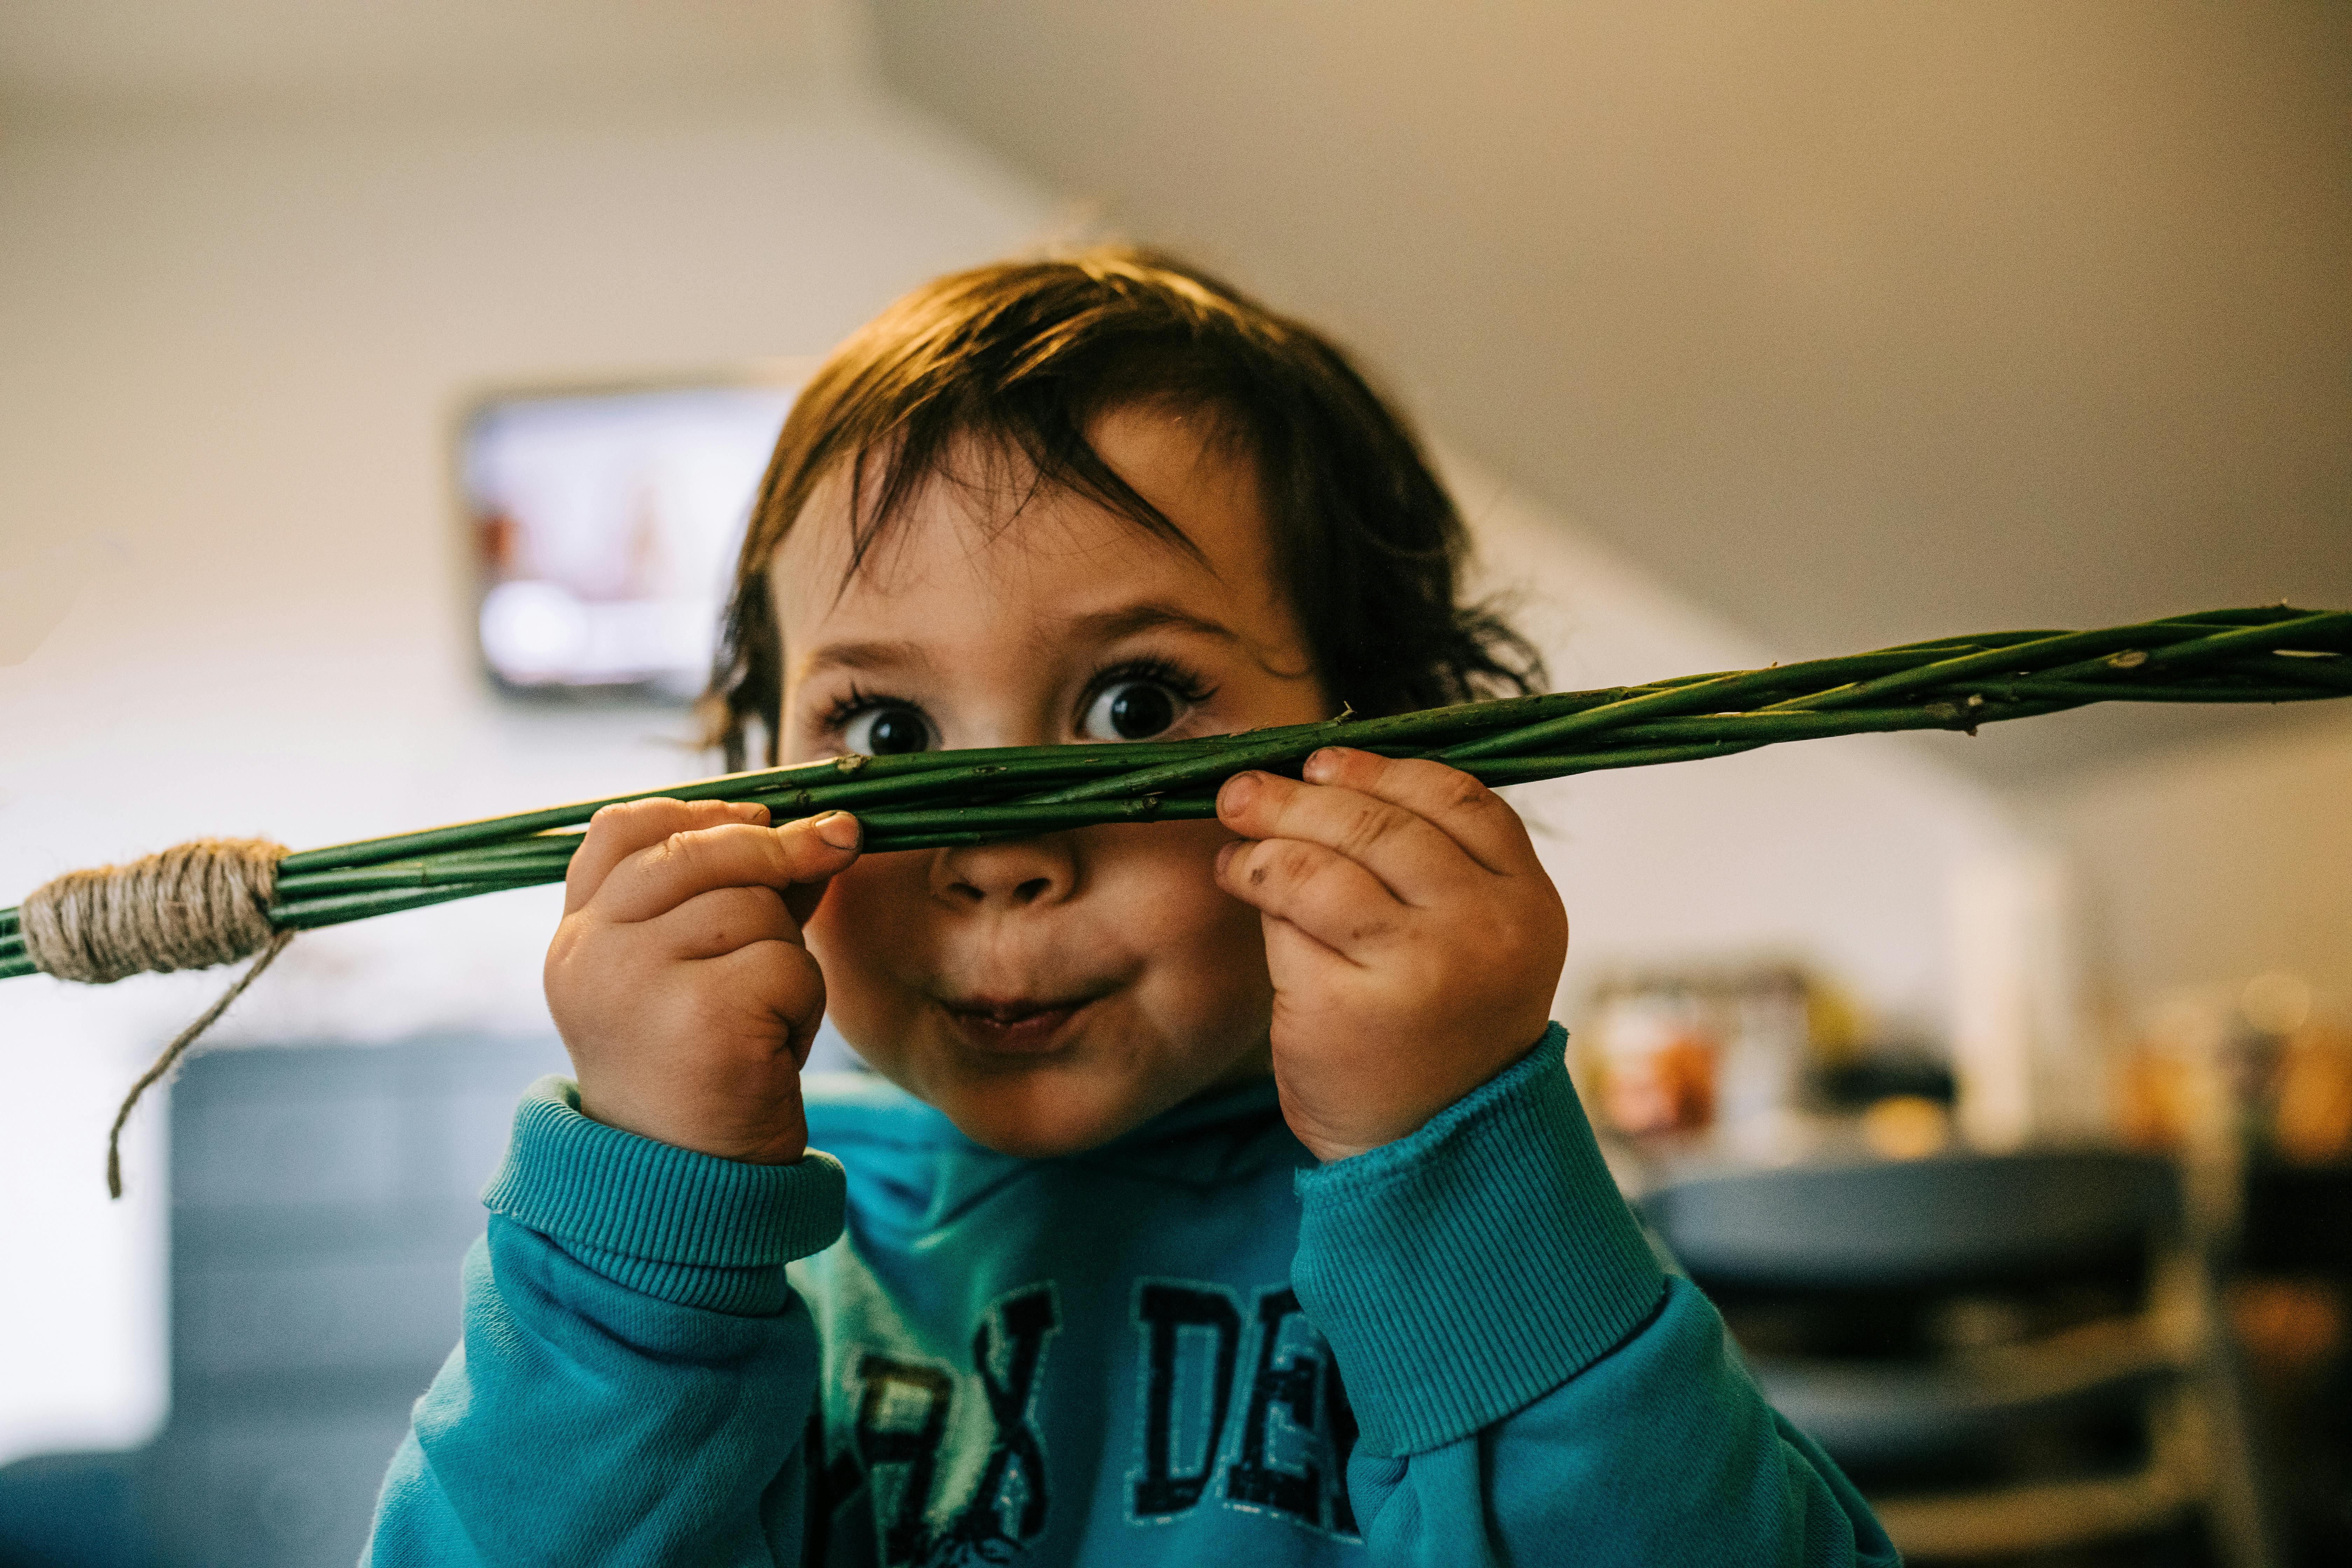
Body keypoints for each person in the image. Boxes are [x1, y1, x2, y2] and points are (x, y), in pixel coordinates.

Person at [366, 250, 1897, 1566]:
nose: (1002, 850)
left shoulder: (1492, 1223)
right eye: (887, 735)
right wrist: (645, 1224)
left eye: (1134, 703)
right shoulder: (714, 1263)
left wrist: (1459, 1162)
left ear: (1385, 747)